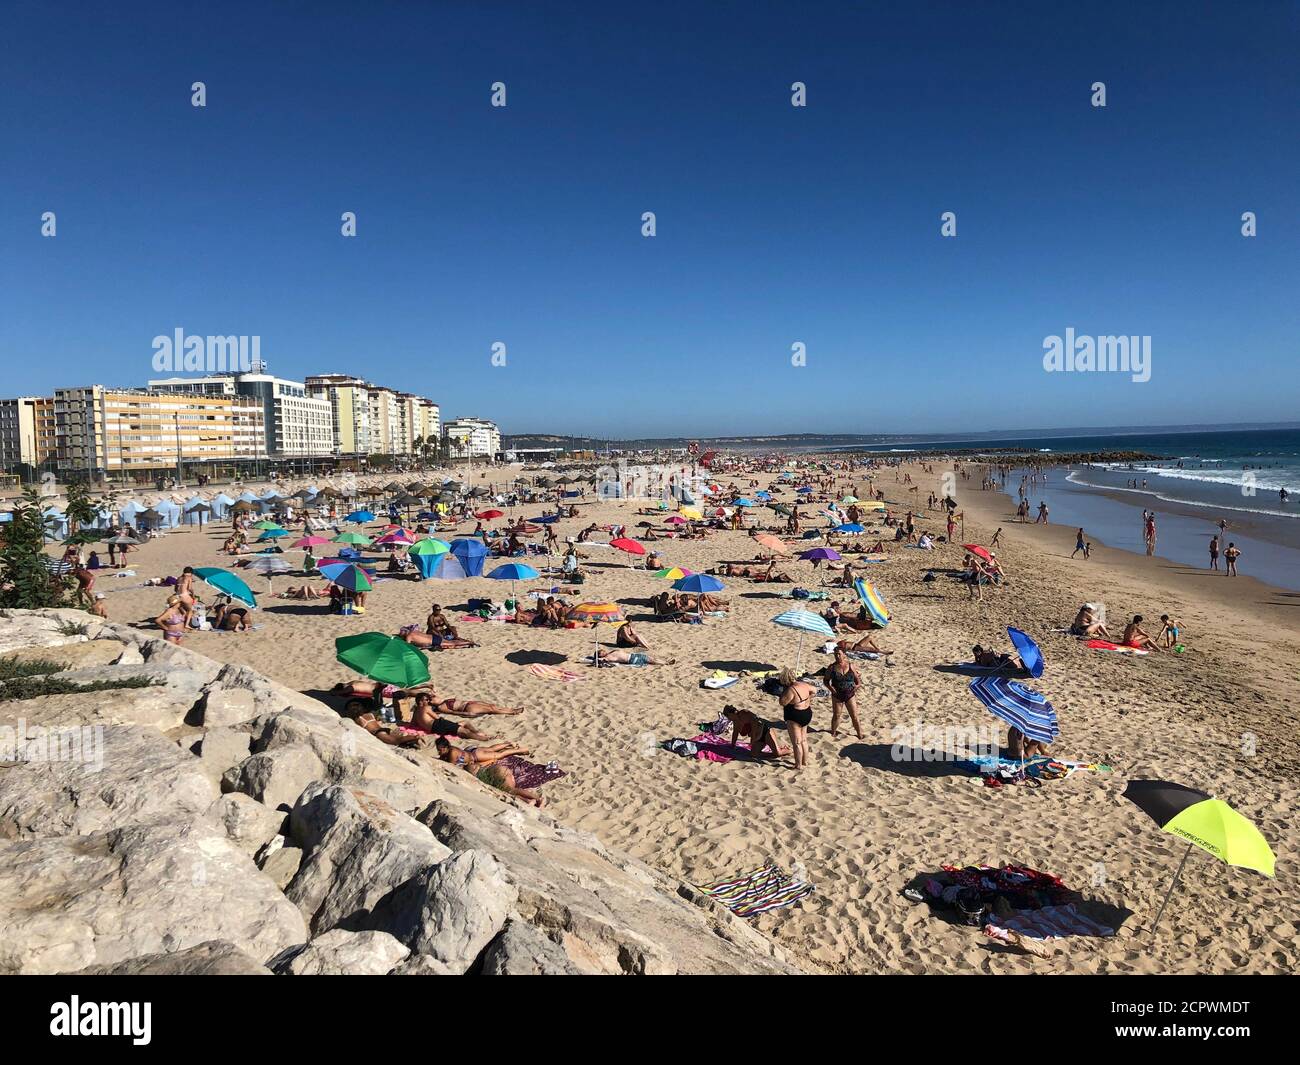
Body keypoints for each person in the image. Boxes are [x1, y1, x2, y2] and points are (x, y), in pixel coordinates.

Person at [821, 647, 864, 740]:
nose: (837, 656)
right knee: (836, 715)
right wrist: (831, 689)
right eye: (835, 654)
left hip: (850, 694)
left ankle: (860, 734)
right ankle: (833, 732)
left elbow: (858, 680)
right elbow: (825, 681)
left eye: (839, 654)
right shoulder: (832, 667)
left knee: (854, 716)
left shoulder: (850, 665)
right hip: (837, 695)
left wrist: (857, 687)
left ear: (844, 654)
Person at [777, 667, 815, 771]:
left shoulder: (790, 690)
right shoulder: (804, 684)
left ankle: (798, 765)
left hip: (795, 715)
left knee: (797, 742)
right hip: (806, 712)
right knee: (804, 739)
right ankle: (805, 761)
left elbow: (782, 702)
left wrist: (783, 692)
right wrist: (809, 699)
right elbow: (814, 690)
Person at [721, 704, 790, 758]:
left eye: (727, 716)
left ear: (730, 714)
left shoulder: (744, 713)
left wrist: (753, 739)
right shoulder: (735, 722)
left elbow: (755, 723)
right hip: (758, 738)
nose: (728, 718)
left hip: (765, 732)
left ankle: (789, 750)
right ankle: (773, 753)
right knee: (754, 754)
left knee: (778, 753)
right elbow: (735, 733)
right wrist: (732, 745)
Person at [595, 647, 674, 665]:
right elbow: (600, 660)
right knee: (650, 660)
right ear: (600, 655)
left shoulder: (610, 653)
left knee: (651, 658)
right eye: (601, 652)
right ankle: (665, 663)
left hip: (633, 656)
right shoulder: (608, 657)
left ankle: (665, 662)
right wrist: (599, 659)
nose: (603, 650)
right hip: (632, 659)